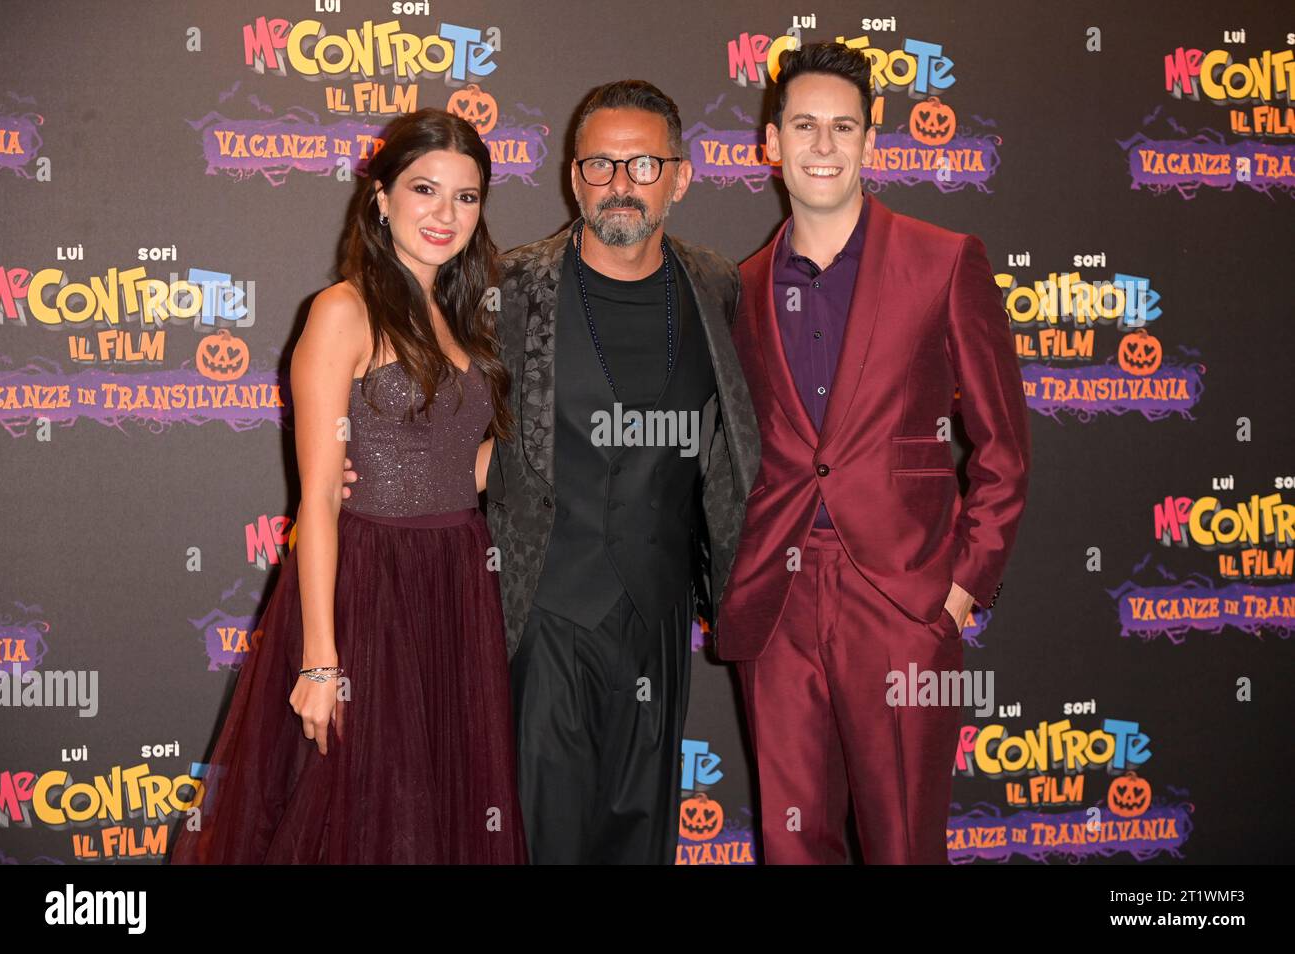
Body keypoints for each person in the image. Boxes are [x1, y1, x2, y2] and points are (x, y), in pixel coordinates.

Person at [345, 80, 759, 864]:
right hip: (539, 610)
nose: (621, 185)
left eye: (643, 165)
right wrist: (363, 466)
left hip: (660, 612)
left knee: (642, 841)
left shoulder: (717, 284)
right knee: (538, 840)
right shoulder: (509, 287)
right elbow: (425, 385)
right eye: (601, 166)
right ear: (574, 177)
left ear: (682, 175)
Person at [170, 108, 527, 864]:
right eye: (425, 189)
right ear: (381, 196)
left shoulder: (467, 319)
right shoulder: (342, 312)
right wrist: (322, 661)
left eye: (466, 197)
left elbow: (464, 469)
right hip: (370, 588)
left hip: (458, 581)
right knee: (364, 819)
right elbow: (321, 499)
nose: (445, 214)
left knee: (442, 814)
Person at [716, 43, 1031, 864]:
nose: (824, 145)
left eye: (843, 127)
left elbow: (1003, 443)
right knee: (793, 846)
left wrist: (963, 588)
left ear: (871, 141)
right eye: (805, 126)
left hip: (902, 599)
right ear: (770, 143)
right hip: (777, 600)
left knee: (902, 844)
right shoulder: (741, 287)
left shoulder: (943, 260)